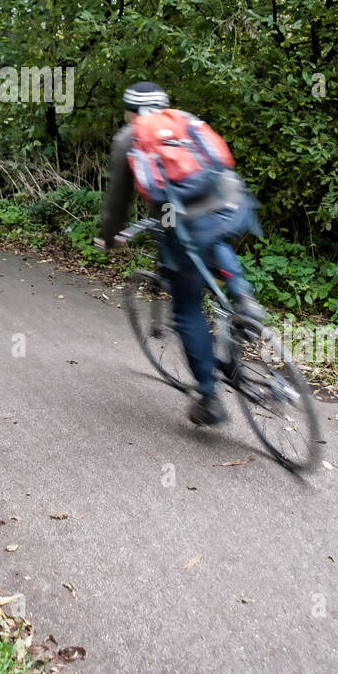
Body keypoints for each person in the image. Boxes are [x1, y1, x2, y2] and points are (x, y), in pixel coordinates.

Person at [95, 81, 263, 427]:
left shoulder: (131, 137)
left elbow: (117, 203)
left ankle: (209, 398)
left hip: (186, 221)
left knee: (187, 308)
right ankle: (244, 299)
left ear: (130, 110)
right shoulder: (186, 121)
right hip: (231, 203)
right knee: (215, 242)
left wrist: (109, 238)